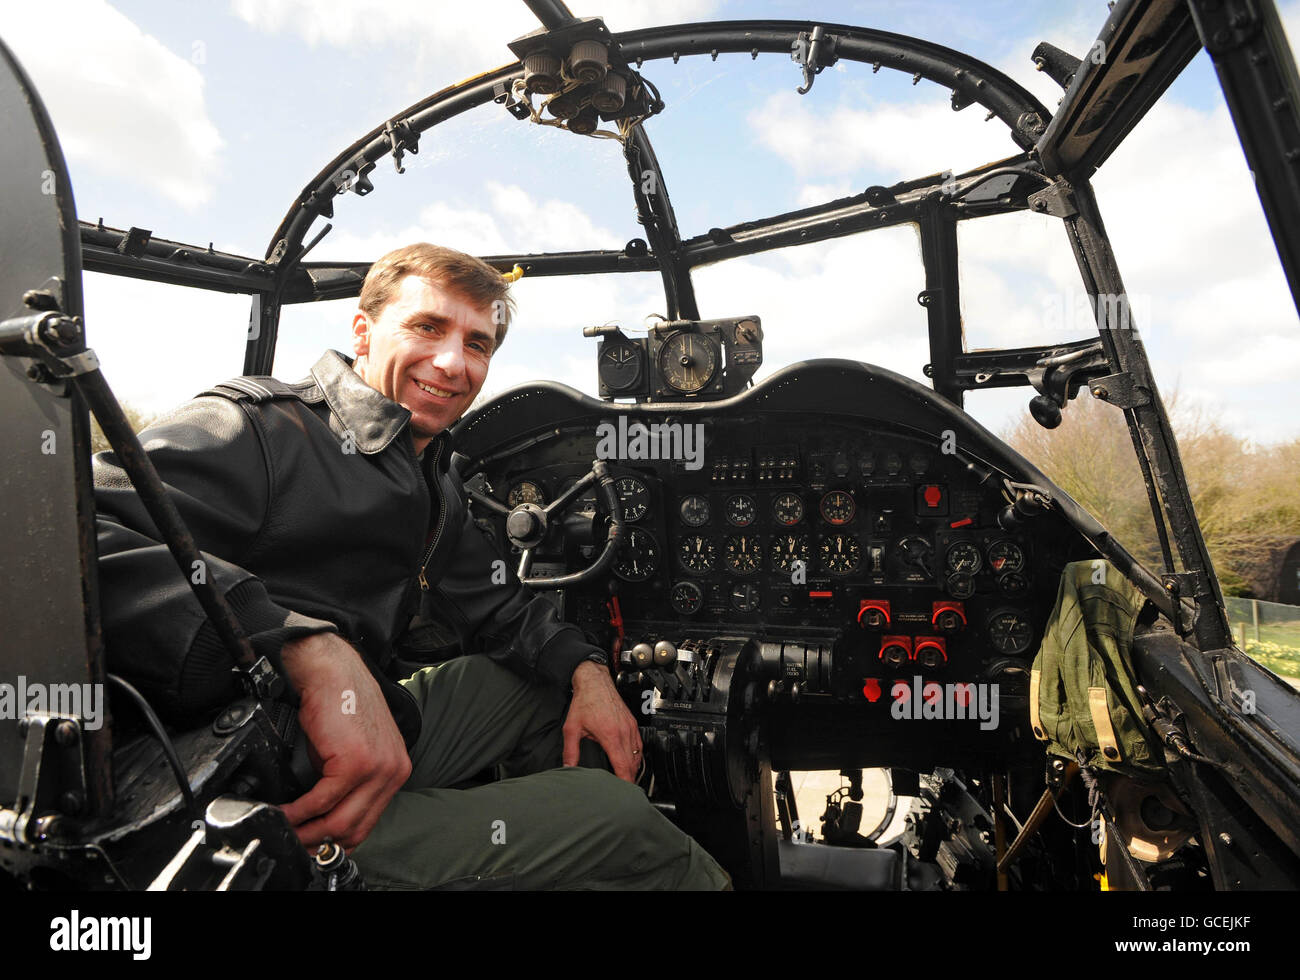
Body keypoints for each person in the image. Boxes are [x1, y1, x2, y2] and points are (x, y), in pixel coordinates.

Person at [94, 242, 730, 889]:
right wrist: (301, 643)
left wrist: (590, 672)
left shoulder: (431, 476)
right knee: (625, 821)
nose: (454, 363)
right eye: (428, 327)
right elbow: (80, 541)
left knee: (542, 688)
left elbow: (501, 608)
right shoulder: (260, 431)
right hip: (253, 797)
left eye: (477, 344)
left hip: (351, 734)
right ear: (363, 332)